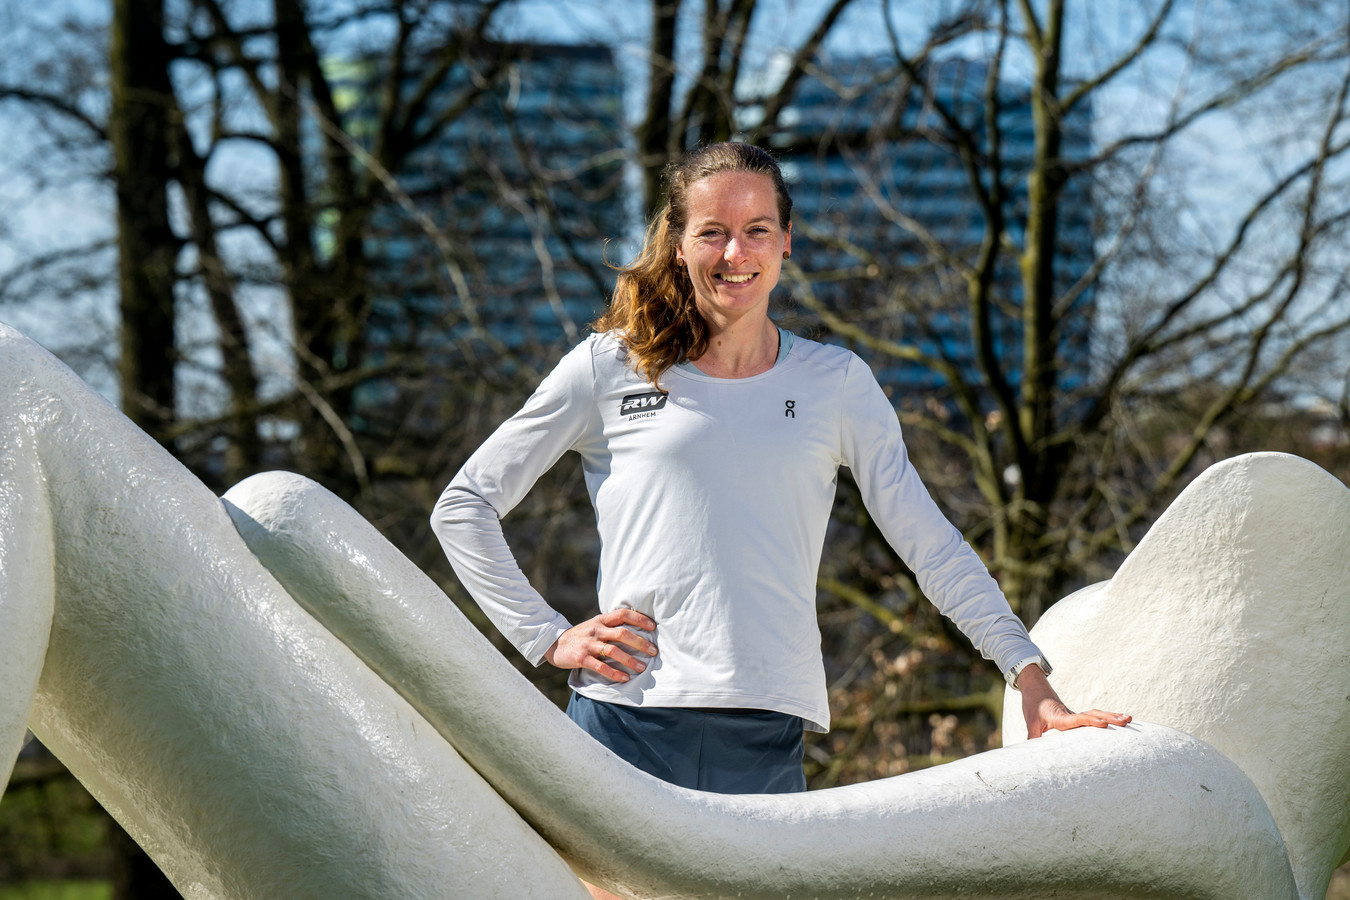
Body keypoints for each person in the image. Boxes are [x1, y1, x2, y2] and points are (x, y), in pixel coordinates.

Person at [431, 143, 1130, 894]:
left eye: (757, 229)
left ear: (787, 240)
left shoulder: (836, 384)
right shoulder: (611, 365)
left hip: (764, 733)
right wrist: (548, 636)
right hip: (621, 725)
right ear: (679, 241)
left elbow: (929, 543)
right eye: (712, 231)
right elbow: (464, 506)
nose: (736, 252)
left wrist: (1027, 675)